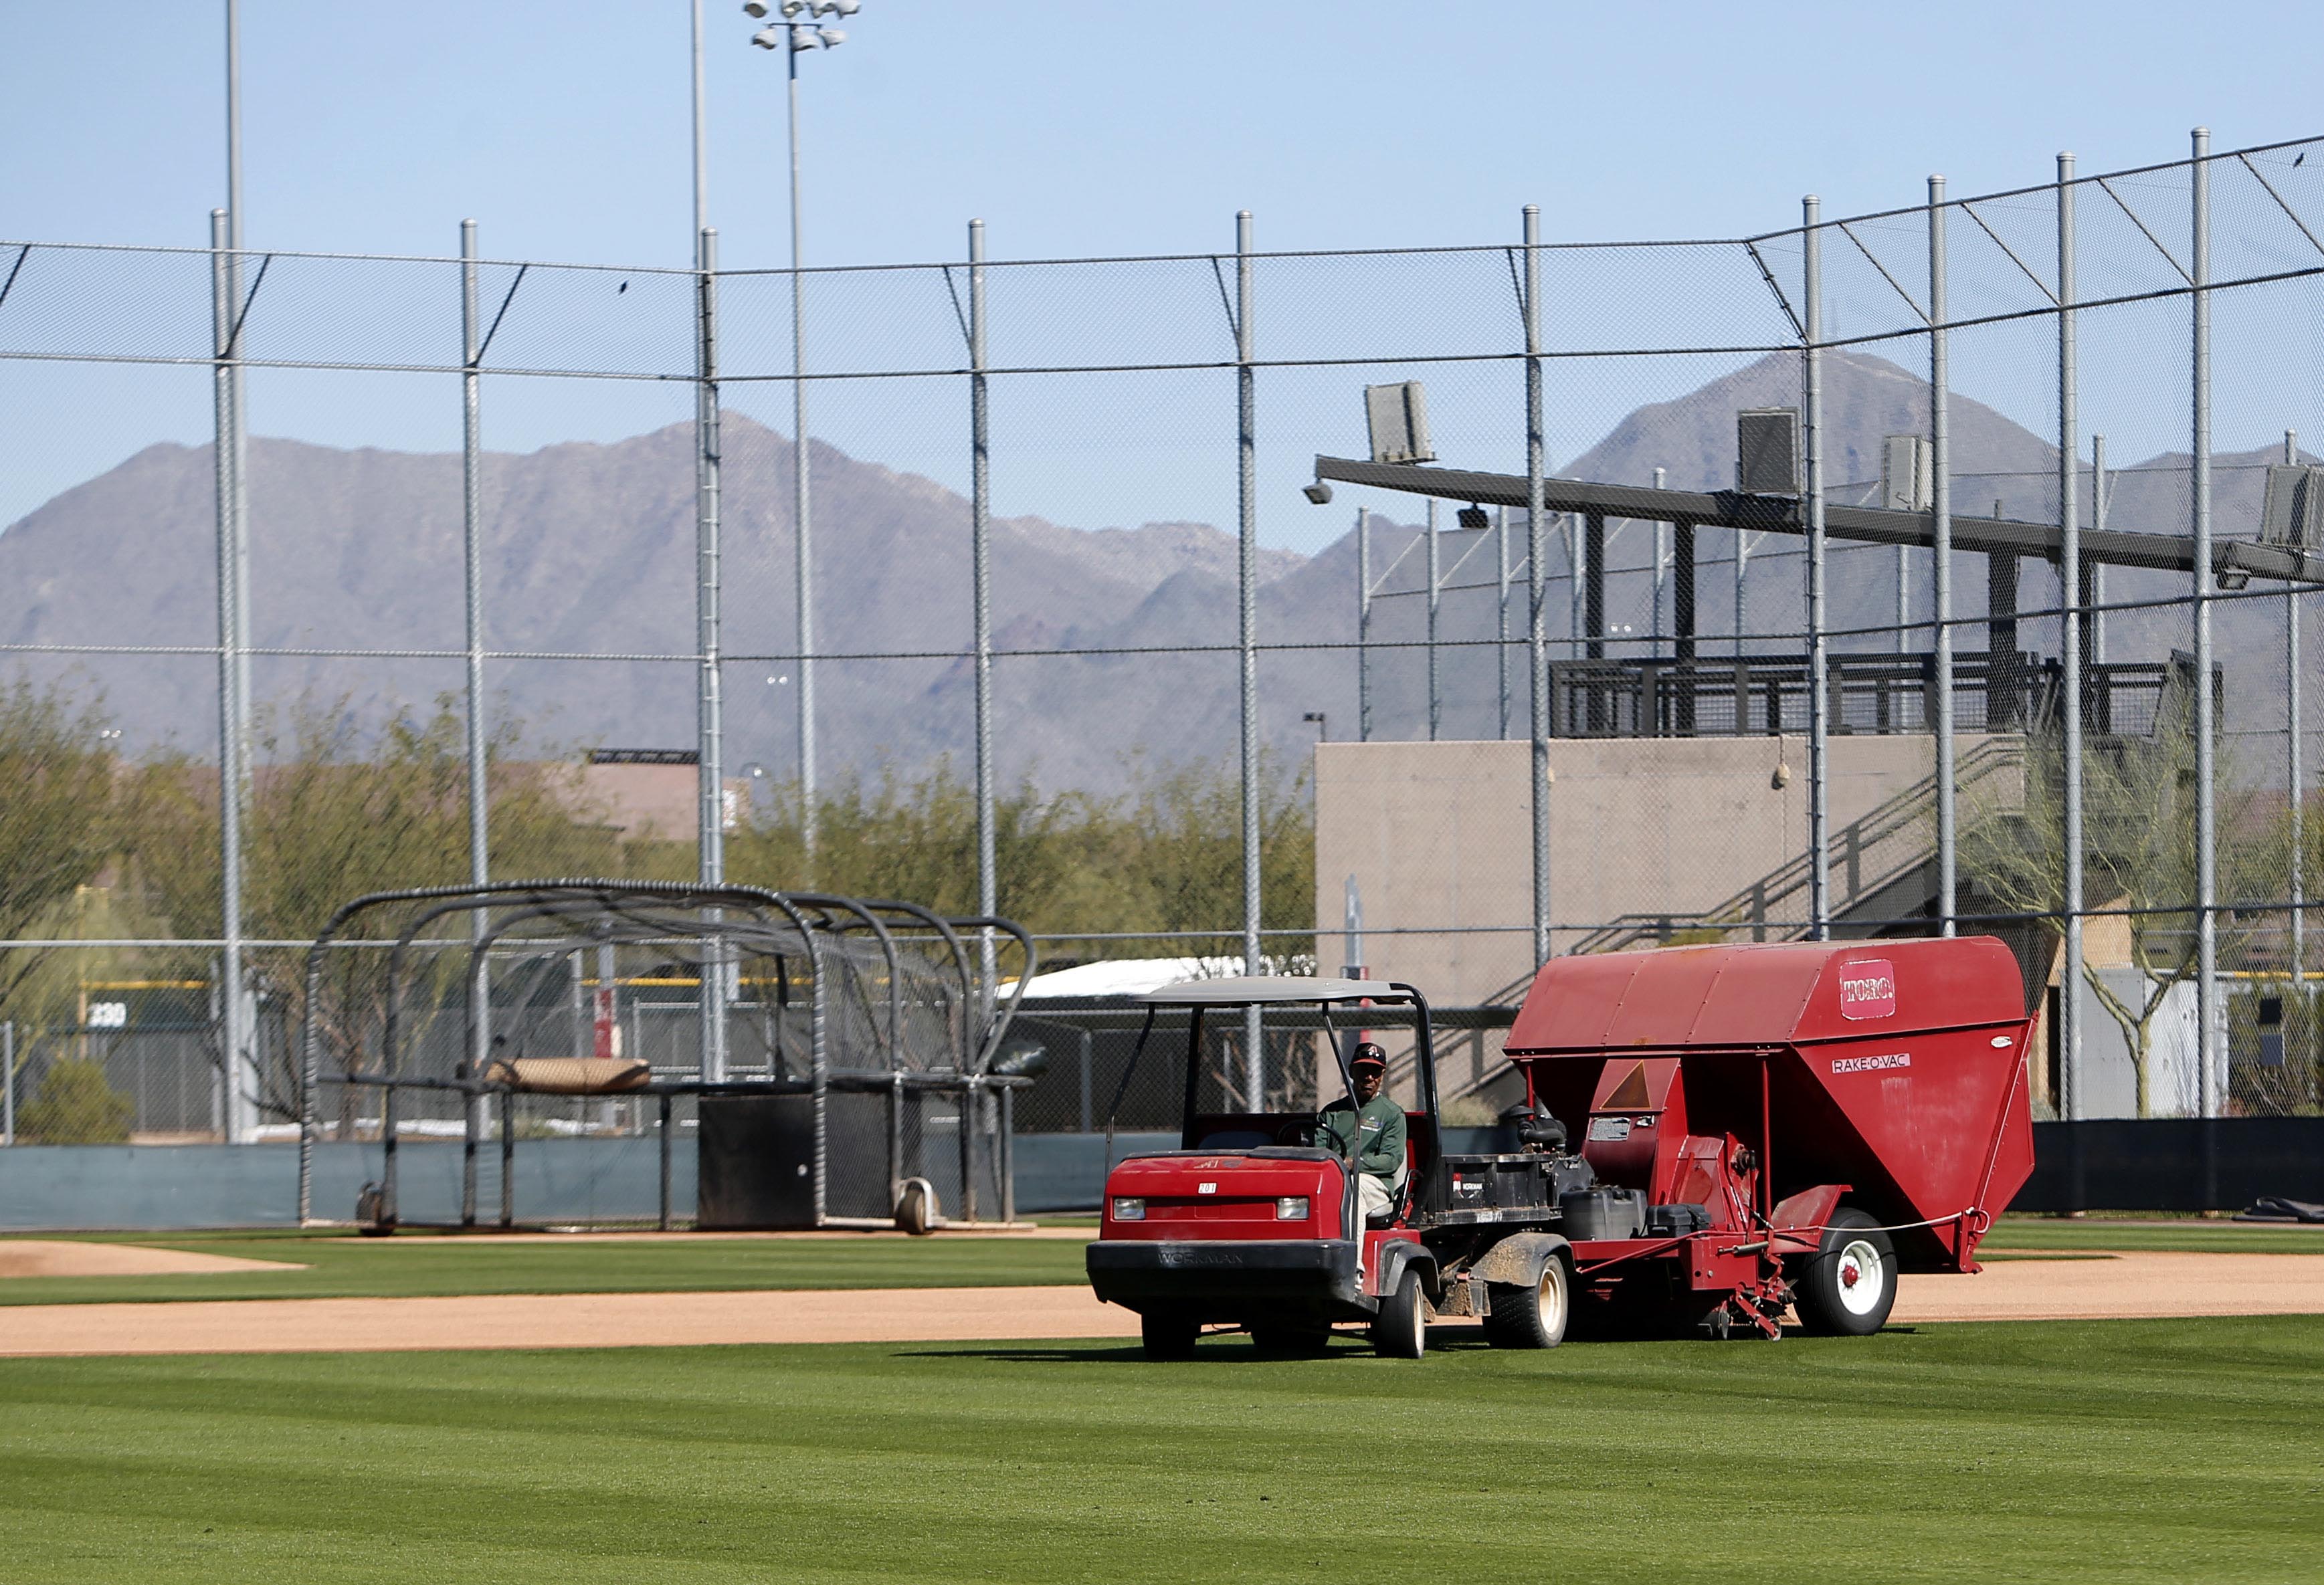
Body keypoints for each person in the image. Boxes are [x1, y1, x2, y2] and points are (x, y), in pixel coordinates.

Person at [1317, 1043, 1407, 1225]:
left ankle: (1352, 1253)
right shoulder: (1332, 1113)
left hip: (1375, 1185)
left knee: (1353, 1188)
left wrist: (1355, 1163)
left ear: (1382, 1075)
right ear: (1351, 1072)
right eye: (1363, 1070)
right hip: (1332, 1178)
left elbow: (1391, 1160)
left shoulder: (1392, 1114)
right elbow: (1318, 1152)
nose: (1369, 1077)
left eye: (1375, 1072)